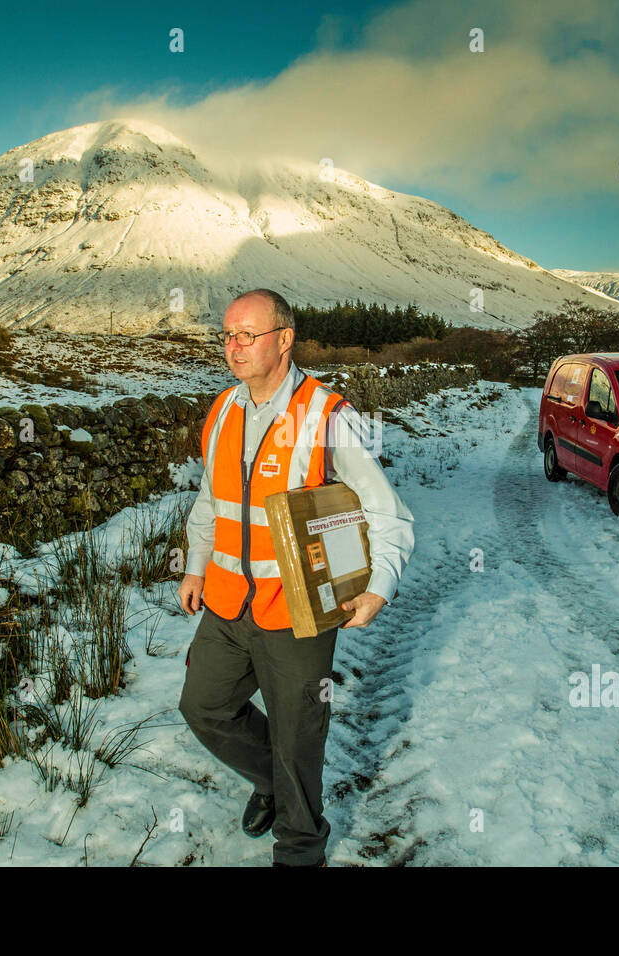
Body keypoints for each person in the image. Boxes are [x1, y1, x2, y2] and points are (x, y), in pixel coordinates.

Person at [177, 288, 414, 867]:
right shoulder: (223, 411)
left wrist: (379, 583)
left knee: (298, 740)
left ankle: (301, 848)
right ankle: (275, 785)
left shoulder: (326, 415)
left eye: (246, 334)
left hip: (298, 610)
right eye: (228, 335)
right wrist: (195, 564)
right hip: (229, 602)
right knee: (203, 708)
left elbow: (384, 509)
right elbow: (212, 500)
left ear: (283, 339)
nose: (233, 347)